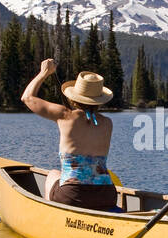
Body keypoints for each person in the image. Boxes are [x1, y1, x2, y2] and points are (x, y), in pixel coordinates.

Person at [21, 58, 118, 211]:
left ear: (74, 98)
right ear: (99, 100)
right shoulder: (107, 123)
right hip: (106, 195)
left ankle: (52, 216)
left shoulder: (65, 115)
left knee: (53, 174)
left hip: (72, 195)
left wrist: (44, 73)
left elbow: (27, 98)